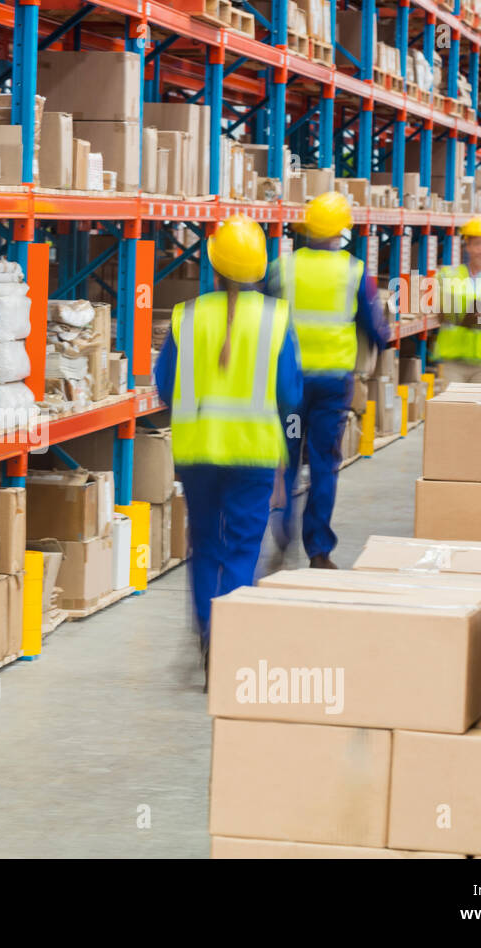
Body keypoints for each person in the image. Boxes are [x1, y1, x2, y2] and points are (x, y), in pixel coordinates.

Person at [154, 215, 303, 670]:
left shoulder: (187, 316)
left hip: (198, 453)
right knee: (242, 547)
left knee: (205, 545)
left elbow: (164, 387)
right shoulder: (277, 320)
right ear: (259, 271)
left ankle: (207, 630)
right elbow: (291, 395)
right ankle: (230, 640)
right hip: (253, 454)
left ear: (213, 269)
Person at [266, 191, 388, 570]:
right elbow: (376, 329)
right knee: (323, 464)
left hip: (291, 387)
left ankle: (282, 534)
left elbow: (262, 317)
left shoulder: (283, 269)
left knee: (287, 458)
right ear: (341, 232)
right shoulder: (353, 272)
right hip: (332, 388)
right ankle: (318, 549)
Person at [431, 215, 481, 387]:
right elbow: (440, 313)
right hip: (453, 358)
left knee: (479, 411)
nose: (480, 250)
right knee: (453, 411)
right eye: (476, 244)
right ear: (467, 246)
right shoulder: (448, 275)